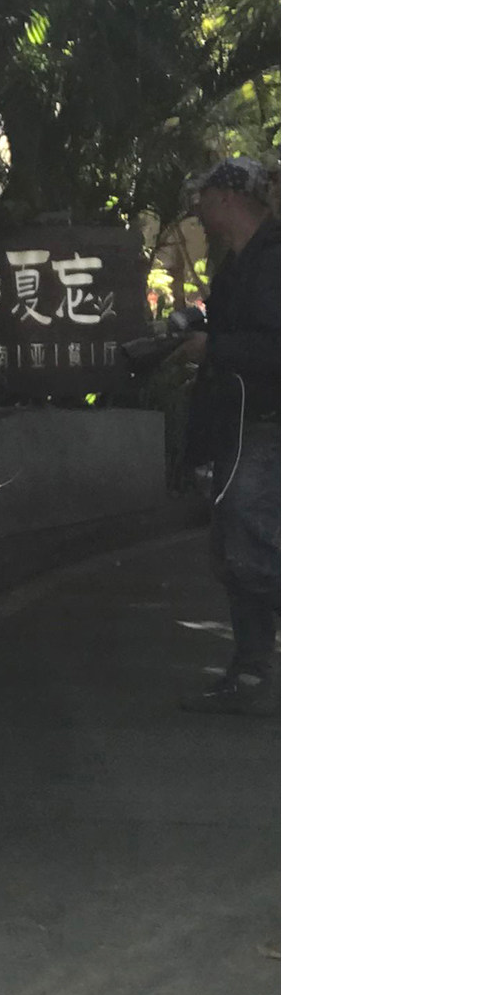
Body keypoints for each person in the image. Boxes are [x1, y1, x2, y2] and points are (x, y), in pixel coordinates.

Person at [175, 156, 281, 716]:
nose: (199, 210)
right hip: (238, 424)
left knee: (252, 544)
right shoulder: (237, 263)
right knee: (234, 547)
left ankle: (255, 667)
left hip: (268, 423)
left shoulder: (277, 259)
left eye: (204, 197)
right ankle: (250, 667)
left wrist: (213, 348)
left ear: (226, 198)